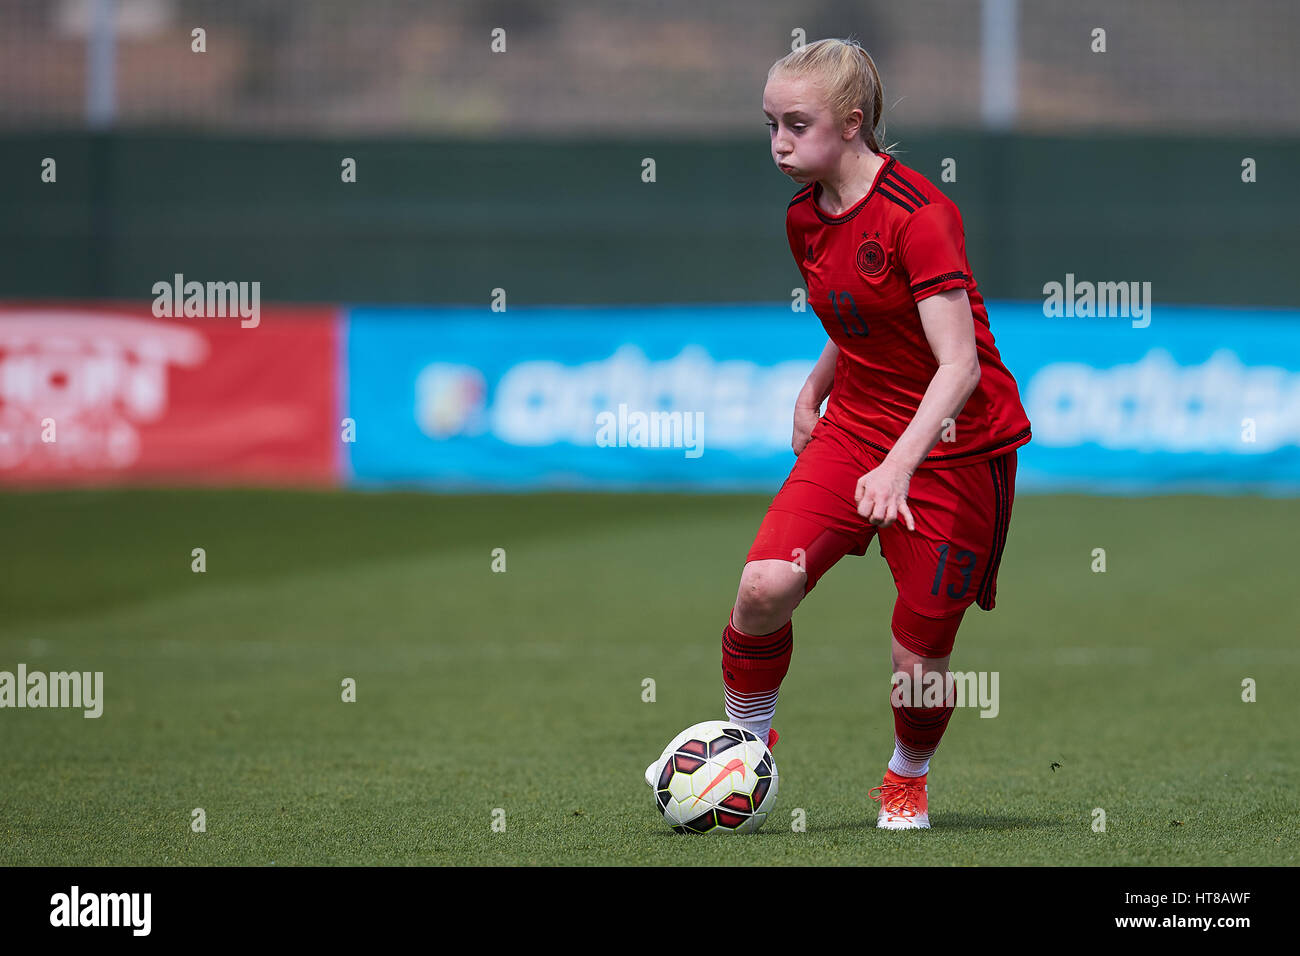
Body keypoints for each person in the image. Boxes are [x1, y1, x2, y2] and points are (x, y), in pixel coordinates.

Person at [646, 37, 1032, 831]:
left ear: (852, 123)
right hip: (857, 427)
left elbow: (957, 366)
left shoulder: (921, 217)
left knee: (917, 663)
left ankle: (906, 779)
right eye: (770, 126)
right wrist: (815, 385)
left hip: (956, 448)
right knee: (762, 588)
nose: (780, 143)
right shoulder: (803, 216)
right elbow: (862, 315)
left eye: (797, 124)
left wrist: (897, 469)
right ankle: (742, 751)